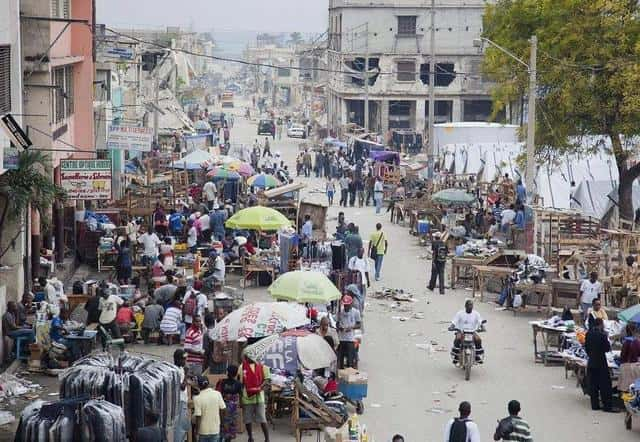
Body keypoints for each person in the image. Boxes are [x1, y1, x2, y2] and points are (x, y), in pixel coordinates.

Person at [585, 318, 619, 412]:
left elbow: (586, 348)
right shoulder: (602, 336)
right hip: (601, 363)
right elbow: (607, 348)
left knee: (593, 384)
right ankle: (607, 406)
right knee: (605, 385)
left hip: (591, 362)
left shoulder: (588, 334)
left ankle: (595, 405)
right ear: (600, 325)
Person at [240, 354, 271, 442]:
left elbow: (267, 380)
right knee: (247, 420)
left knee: (262, 419)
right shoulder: (242, 367)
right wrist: (240, 399)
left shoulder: (263, 366)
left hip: (259, 398)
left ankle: (267, 439)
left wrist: (261, 387)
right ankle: (250, 437)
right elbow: (241, 384)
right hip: (246, 398)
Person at [193, 375, 226, 442]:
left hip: (203, 431)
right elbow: (223, 409)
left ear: (199, 386)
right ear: (208, 384)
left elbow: (198, 417)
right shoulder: (217, 394)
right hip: (215, 429)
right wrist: (222, 423)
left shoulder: (197, 398)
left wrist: (196, 432)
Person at [217, 364, 242, 442]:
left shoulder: (222, 382)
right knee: (231, 425)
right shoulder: (238, 384)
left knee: (223, 424)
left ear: (228, 373)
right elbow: (241, 396)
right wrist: (240, 405)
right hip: (233, 409)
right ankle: (228, 439)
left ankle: (222, 438)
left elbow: (218, 393)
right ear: (235, 374)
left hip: (223, 407)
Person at [337, 295, 361, 369]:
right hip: (341, 339)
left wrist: (350, 328)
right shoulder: (340, 311)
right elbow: (337, 323)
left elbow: (359, 324)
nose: (346, 307)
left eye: (347, 305)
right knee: (340, 360)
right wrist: (339, 327)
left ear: (351, 304)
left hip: (350, 339)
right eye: (345, 305)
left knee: (349, 361)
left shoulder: (355, 312)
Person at [173, 349, 190, 442]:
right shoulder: (176, 371)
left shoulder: (180, 369)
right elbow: (182, 387)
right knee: (180, 426)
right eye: (183, 359)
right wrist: (186, 374)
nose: (185, 361)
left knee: (183, 424)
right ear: (177, 359)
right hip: (180, 401)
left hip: (183, 400)